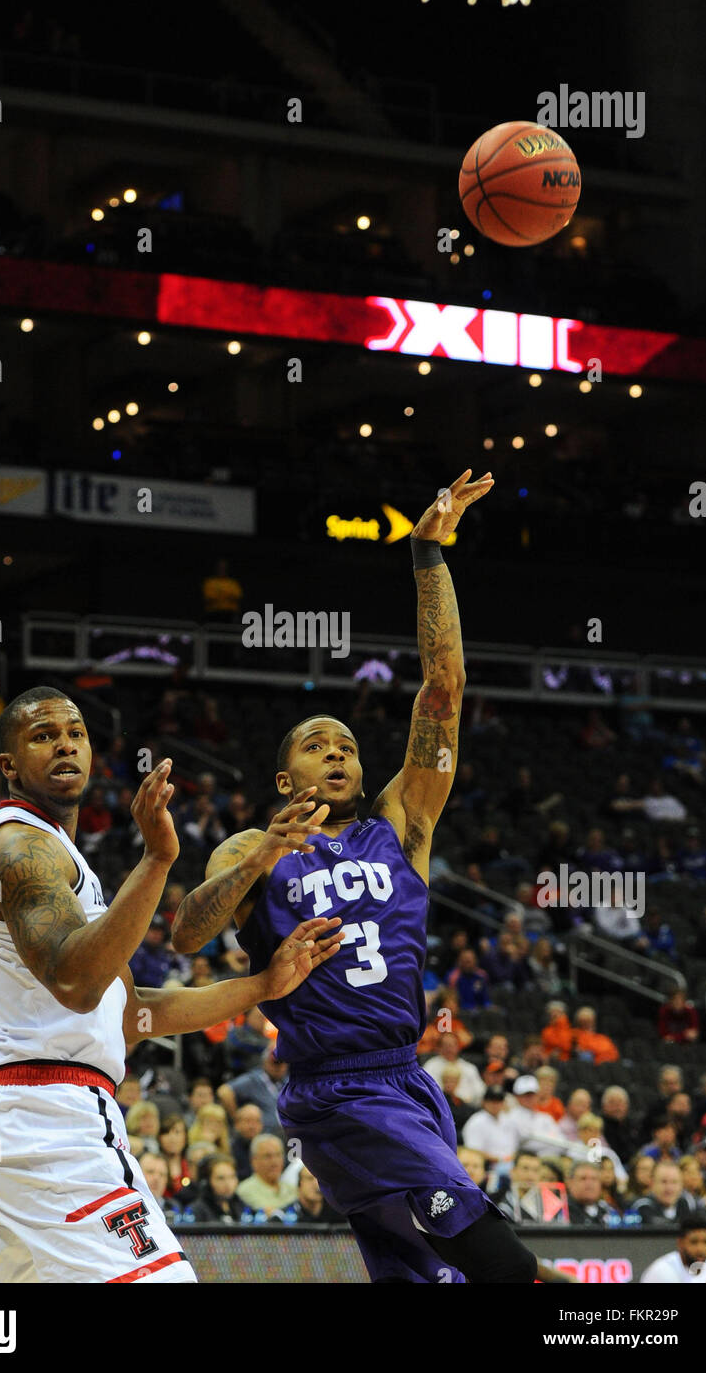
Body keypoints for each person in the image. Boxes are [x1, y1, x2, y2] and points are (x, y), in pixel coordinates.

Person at [172, 474, 556, 1285]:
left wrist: (425, 555)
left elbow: (443, 691)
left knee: (429, 1277)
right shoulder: (247, 845)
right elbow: (187, 934)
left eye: (346, 743)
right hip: (336, 1089)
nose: (339, 752)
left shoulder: (401, 826)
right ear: (284, 780)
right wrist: (260, 860)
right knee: (499, 1264)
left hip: (409, 1079)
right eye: (318, 744)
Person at [0, 686, 342, 1285]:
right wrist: (157, 859)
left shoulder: (59, 857)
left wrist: (261, 985)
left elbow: (133, 1015)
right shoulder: (21, 847)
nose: (65, 746)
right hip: (53, 1121)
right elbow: (77, 982)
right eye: (43, 736)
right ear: (9, 766)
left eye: (75, 733)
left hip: (20, 1120)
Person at [217, 1046, 288, 1133]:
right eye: (274, 1063)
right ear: (265, 1062)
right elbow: (224, 1091)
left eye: (281, 1063)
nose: (278, 1068)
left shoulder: (289, 1082)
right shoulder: (253, 1080)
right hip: (262, 1134)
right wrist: (237, 1118)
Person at [639, 1213, 706, 1283]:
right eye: (694, 1242)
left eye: (705, 1242)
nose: (700, 1249)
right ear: (680, 1243)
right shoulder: (661, 1272)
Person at [235, 1133, 297, 1217]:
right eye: (268, 1156)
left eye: (278, 1155)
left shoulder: (292, 1189)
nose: (274, 1162)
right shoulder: (244, 1190)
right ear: (254, 1161)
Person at [184, 1153, 253, 1223]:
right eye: (221, 1178)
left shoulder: (241, 1206)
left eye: (232, 1177)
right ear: (206, 1182)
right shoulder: (196, 1212)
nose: (228, 1184)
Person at [461, 1085, 517, 1165]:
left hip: (509, 1164)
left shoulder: (508, 1120)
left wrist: (508, 1159)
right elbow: (473, 1151)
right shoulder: (476, 1121)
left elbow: (515, 1147)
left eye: (499, 1101)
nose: (495, 1104)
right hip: (487, 1166)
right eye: (492, 1101)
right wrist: (500, 1159)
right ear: (484, 1102)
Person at [629, 1159, 697, 1225]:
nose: (669, 1188)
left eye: (674, 1182)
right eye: (663, 1182)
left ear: (682, 1184)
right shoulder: (642, 1205)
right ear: (652, 1183)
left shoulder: (687, 1204)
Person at [565, 1161, 616, 1226]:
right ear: (570, 1183)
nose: (589, 1184)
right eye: (583, 1178)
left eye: (594, 1179)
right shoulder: (561, 1212)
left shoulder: (608, 1210)